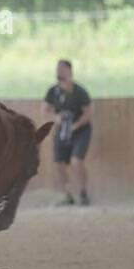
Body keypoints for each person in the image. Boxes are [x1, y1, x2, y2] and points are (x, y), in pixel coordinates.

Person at [43, 59, 93, 206]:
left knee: (76, 161)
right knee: (59, 162)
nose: (59, 72)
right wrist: (56, 118)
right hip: (62, 131)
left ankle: (83, 193)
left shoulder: (79, 91)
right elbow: (45, 109)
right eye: (58, 69)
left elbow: (89, 112)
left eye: (63, 69)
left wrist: (76, 125)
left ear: (70, 71)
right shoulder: (53, 91)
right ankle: (67, 195)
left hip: (81, 130)